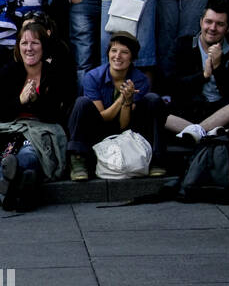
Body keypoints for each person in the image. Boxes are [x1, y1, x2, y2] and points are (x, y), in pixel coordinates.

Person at [0, 21, 75, 211]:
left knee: (28, 152)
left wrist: (36, 100)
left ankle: (9, 196)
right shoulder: (8, 72)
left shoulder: (55, 74)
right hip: (11, 129)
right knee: (9, 153)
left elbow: (57, 114)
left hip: (42, 129)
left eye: (34, 43)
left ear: (44, 47)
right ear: (18, 47)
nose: (29, 48)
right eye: (24, 43)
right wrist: (20, 101)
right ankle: (25, 187)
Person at [66, 32, 164, 181]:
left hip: (129, 131)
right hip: (99, 127)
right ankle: (78, 160)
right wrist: (122, 98)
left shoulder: (140, 80)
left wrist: (127, 102)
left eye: (124, 52)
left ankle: (157, 158)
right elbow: (103, 116)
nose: (117, 56)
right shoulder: (93, 77)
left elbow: (123, 125)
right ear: (108, 53)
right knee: (81, 103)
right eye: (114, 51)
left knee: (153, 99)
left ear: (132, 58)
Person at [162, 0, 229, 141]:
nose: (212, 28)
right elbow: (171, 85)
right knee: (152, 106)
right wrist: (203, 75)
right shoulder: (182, 44)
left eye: (220, 24)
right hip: (188, 109)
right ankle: (206, 133)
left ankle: (196, 132)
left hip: (221, 112)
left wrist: (218, 67)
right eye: (208, 22)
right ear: (201, 22)